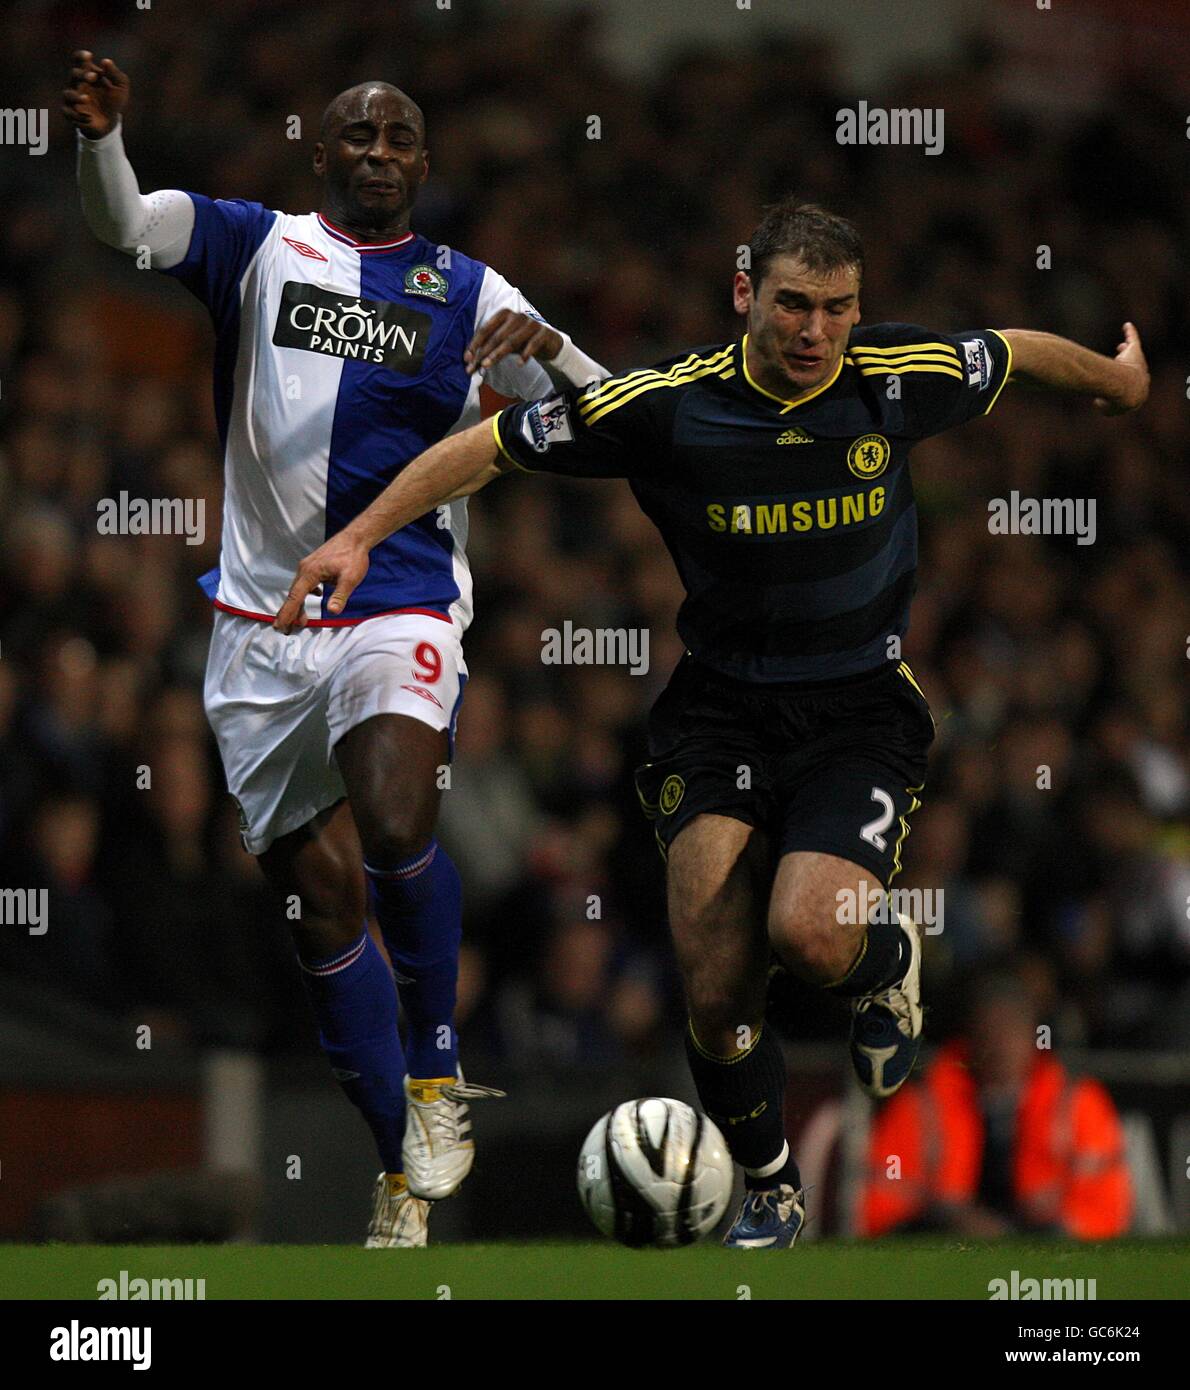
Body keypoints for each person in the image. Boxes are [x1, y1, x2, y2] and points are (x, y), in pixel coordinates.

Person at [273, 197, 1149, 1249]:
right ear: (744, 293)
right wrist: (360, 537)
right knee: (713, 978)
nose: (813, 331)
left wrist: (1116, 382)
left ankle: (880, 963)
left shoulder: (895, 375)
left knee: (807, 931)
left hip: (856, 710)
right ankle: (769, 1188)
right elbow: (491, 448)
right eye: (790, 304)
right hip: (720, 711)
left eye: (835, 308)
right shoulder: (668, 405)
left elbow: (1008, 351)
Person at [64, 52, 607, 1248]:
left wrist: (556, 351)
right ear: (322, 151)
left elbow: (612, 421)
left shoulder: (469, 291)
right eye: (356, 133)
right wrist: (103, 139)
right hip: (258, 633)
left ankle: (438, 1069)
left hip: (399, 596)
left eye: (398, 136)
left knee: (398, 810)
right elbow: (126, 227)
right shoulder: (255, 247)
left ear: (422, 163)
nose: (375, 149)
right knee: (318, 907)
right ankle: (397, 1172)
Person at [860, 972, 1132, 1239]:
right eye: (989, 1029)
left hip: (1047, 1259)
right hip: (946, 1258)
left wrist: (1025, 1239)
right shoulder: (923, 1104)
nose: (1000, 1042)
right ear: (970, 1035)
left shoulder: (1076, 1102)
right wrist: (946, 1221)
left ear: (1033, 1033)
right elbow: (882, 1208)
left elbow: (1103, 1211)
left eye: (1011, 1028)